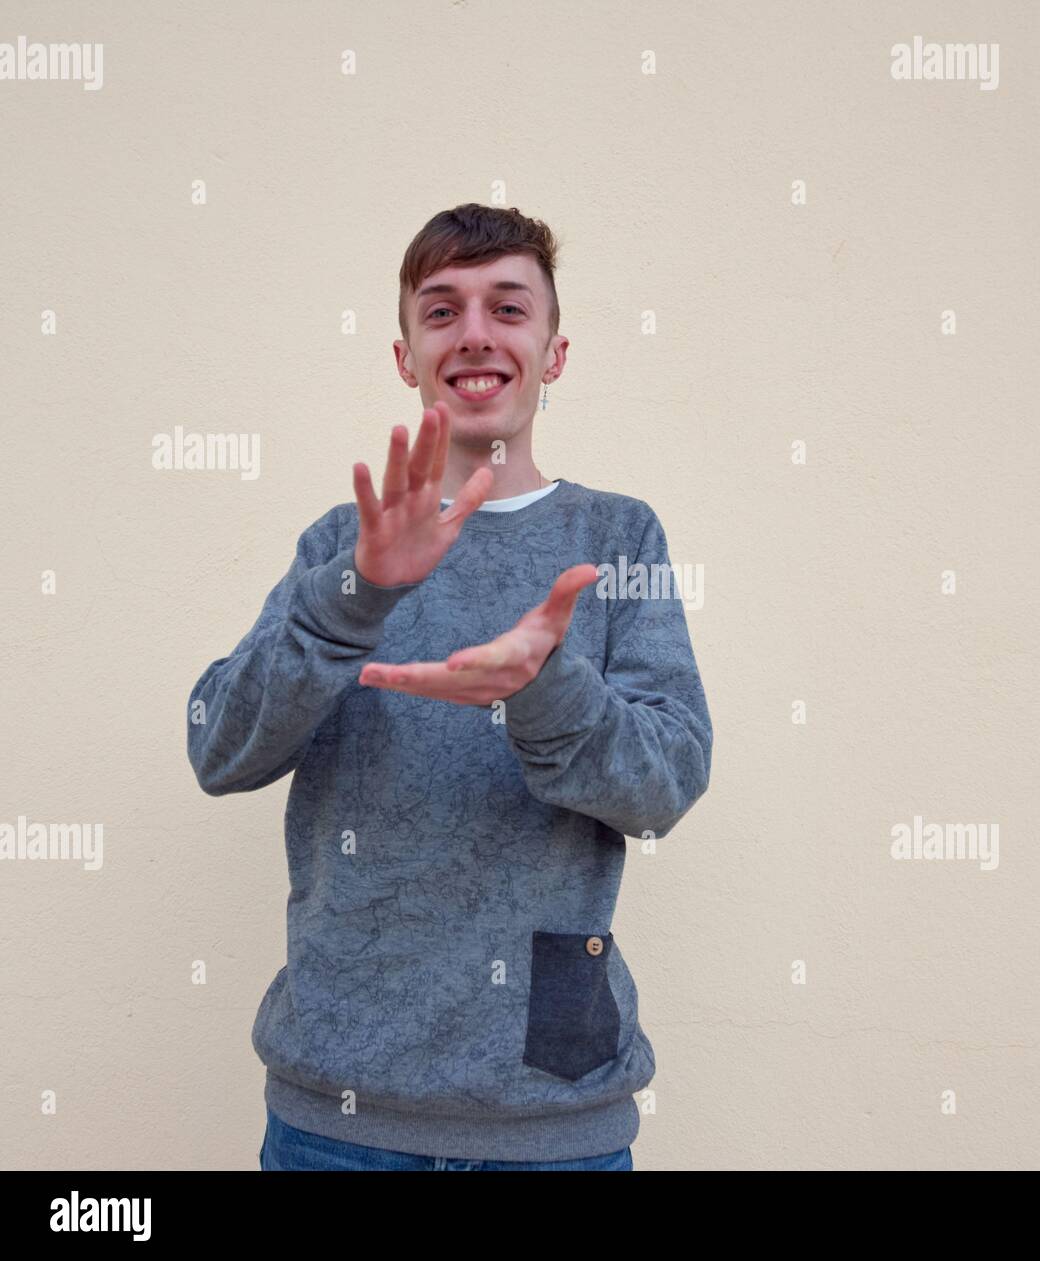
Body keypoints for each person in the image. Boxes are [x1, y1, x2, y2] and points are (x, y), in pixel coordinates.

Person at [186, 204, 713, 1171]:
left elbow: (667, 780)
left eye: (509, 308)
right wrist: (358, 594)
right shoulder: (339, 544)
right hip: (335, 1130)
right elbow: (219, 746)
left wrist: (546, 688)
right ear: (406, 356)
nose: (476, 332)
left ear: (552, 354)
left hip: (553, 1128)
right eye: (443, 311)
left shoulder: (620, 541)